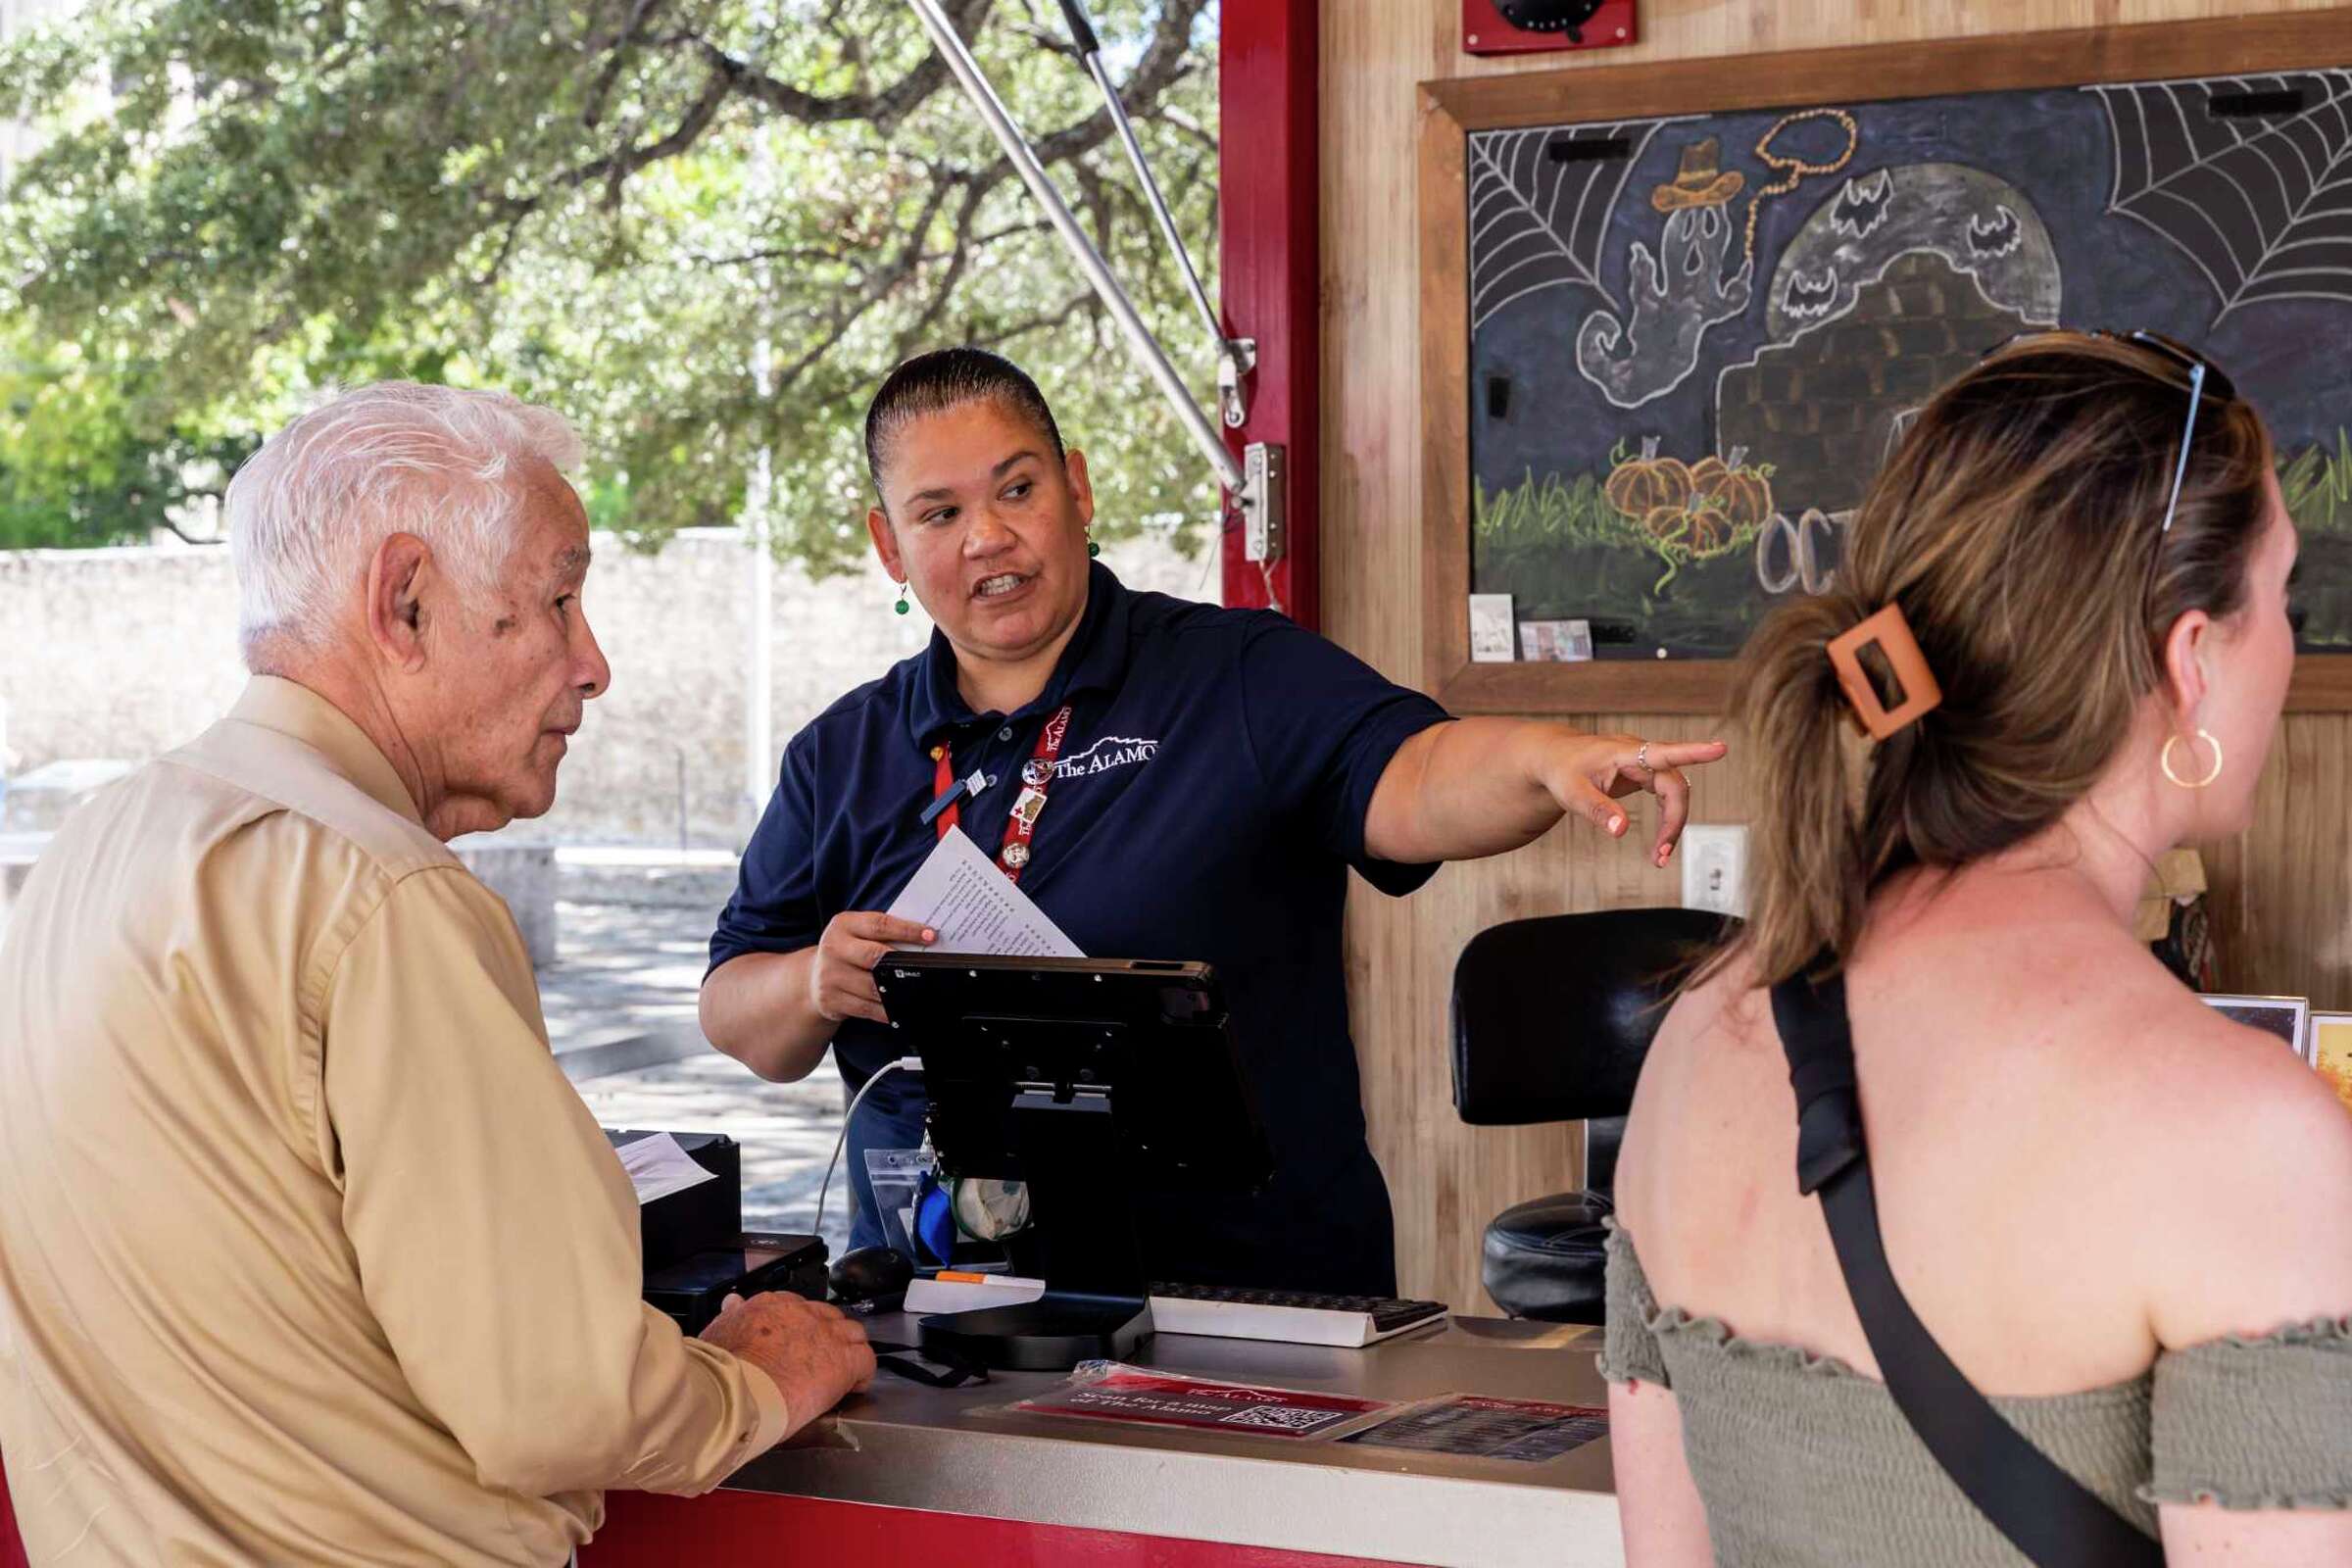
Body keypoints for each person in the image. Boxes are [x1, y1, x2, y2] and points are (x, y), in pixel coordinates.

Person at [0, 384, 874, 1568]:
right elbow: (556, 1396)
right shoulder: (384, 895)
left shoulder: (94, 847)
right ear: (404, 600)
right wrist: (756, 1378)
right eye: (559, 600)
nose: (594, 664)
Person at [702, 346, 1725, 1295]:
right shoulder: (841, 756)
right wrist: (812, 980)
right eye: (939, 513)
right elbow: (736, 1010)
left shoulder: (1236, 676)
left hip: (1246, 1306)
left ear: (1077, 489)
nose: (988, 537)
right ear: (889, 545)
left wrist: (1545, 759)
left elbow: (1415, 773)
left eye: (1017, 488)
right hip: (940, 1309)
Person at [1605, 333, 2352, 1563]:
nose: (2289, 643)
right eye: (2284, 599)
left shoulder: (1698, 1040)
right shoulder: (2246, 1137)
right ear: (2190, 656)